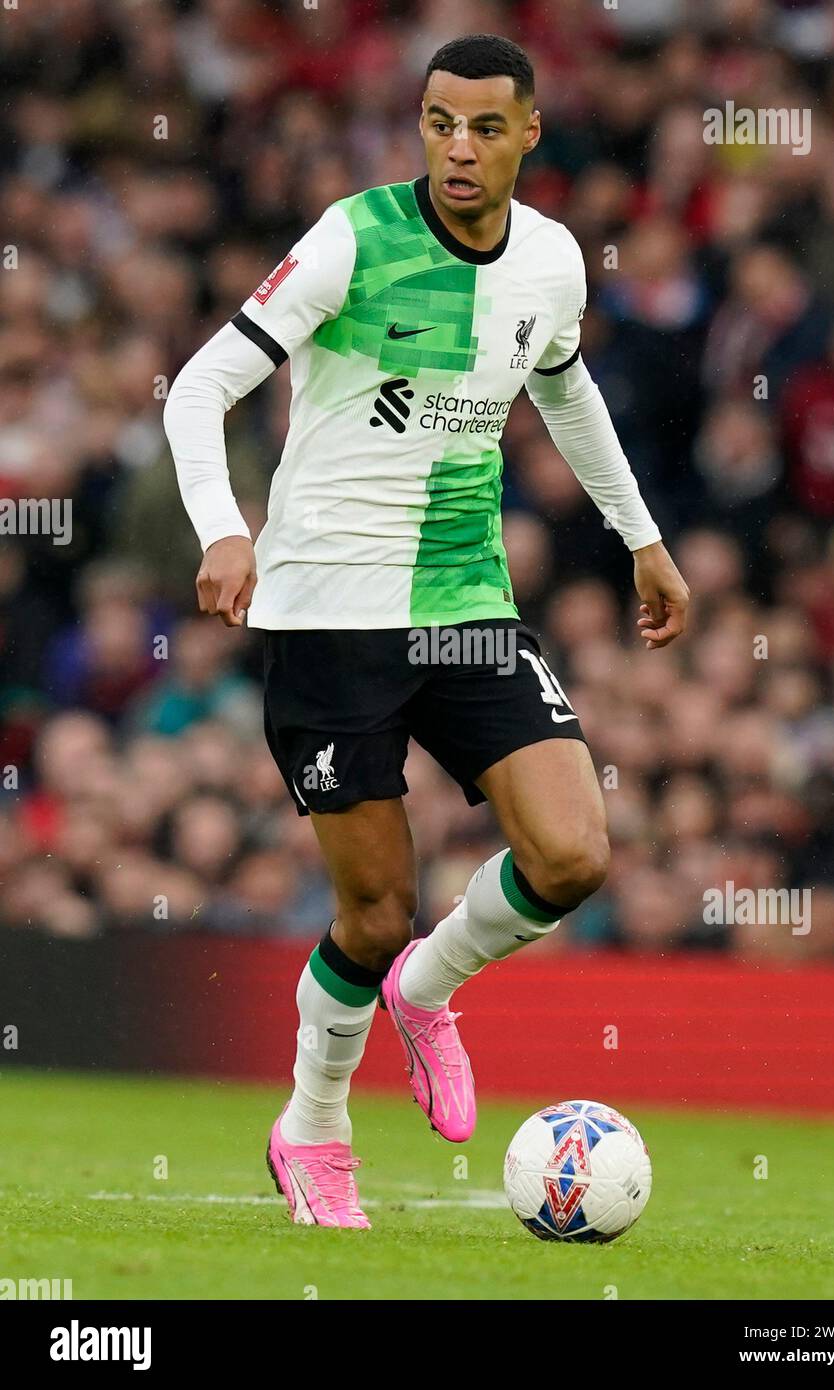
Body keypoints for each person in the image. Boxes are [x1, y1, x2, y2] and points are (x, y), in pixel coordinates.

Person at [164, 33, 689, 1230]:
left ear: (530, 132)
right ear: (421, 126)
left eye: (485, 127)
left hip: (464, 605)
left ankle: (430, 991)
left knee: (571, 857)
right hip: (328, 615)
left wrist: (643, 538)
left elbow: (566, 390)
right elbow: (200, 388)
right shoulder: (352, 238)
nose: (459, 147)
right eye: (439, 123)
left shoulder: (553, 261)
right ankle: (314, 1131)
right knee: (372, 909)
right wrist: (221, 530)